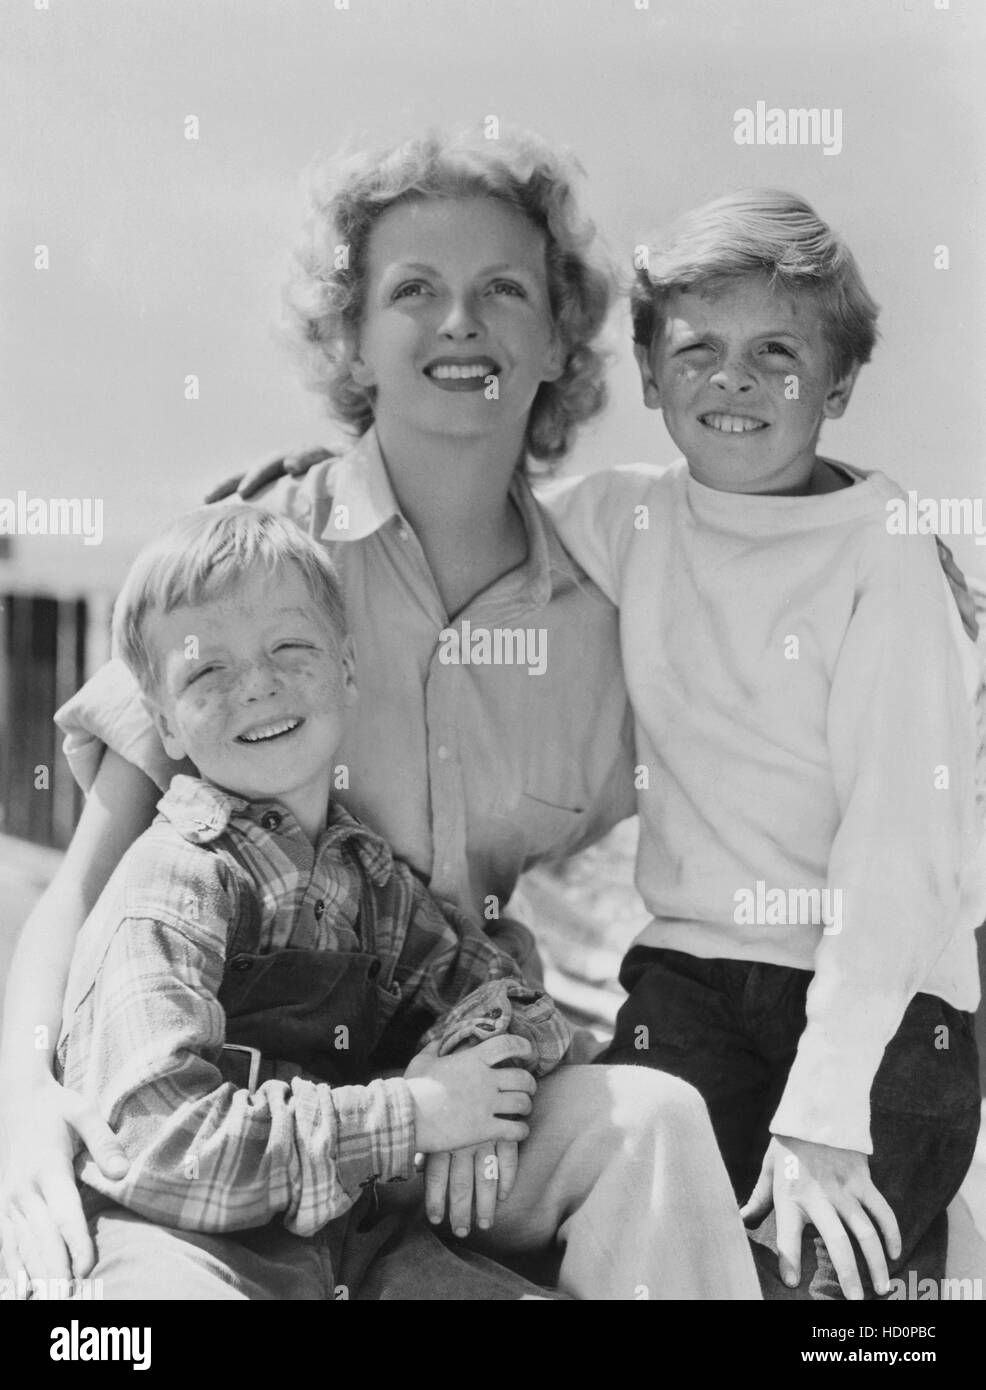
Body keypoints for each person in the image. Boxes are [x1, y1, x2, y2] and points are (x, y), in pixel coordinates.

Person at [0, 128, 638, 1289]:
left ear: (556, 339)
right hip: (230, 1113)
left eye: (502, 289)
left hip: (459, 1104)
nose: (460, 323)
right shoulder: (258, 565)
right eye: (413, 290)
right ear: (353, 337)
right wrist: (20, 1111)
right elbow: (81, 891)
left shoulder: (610, 622)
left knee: (651, 1127)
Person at [51, 502, 760, 1300]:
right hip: (189, 1241)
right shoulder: (171, 882)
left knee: (653, 1110)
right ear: (163, 724)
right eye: (207, 670)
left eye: (290, 646)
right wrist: (415, 1114)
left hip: (363, 1230)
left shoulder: (368, 880)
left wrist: (477, 1070)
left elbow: (511, 998)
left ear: (348, 671)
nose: (259, 685)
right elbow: (158, 1147)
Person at [540, 189, 985, 1302]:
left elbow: (902, 850)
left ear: (835, 383)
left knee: (813, 1288)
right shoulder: (627, 515)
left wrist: (826, 1109)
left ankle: (907, 1287)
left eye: (775, 351)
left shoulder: (880, 556)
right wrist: (306, 491)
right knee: (625, 1260)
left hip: (883, 1013)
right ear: (647, 375)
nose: (730, 379)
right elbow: (461, 520)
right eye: (694, 350)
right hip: (688, 979)